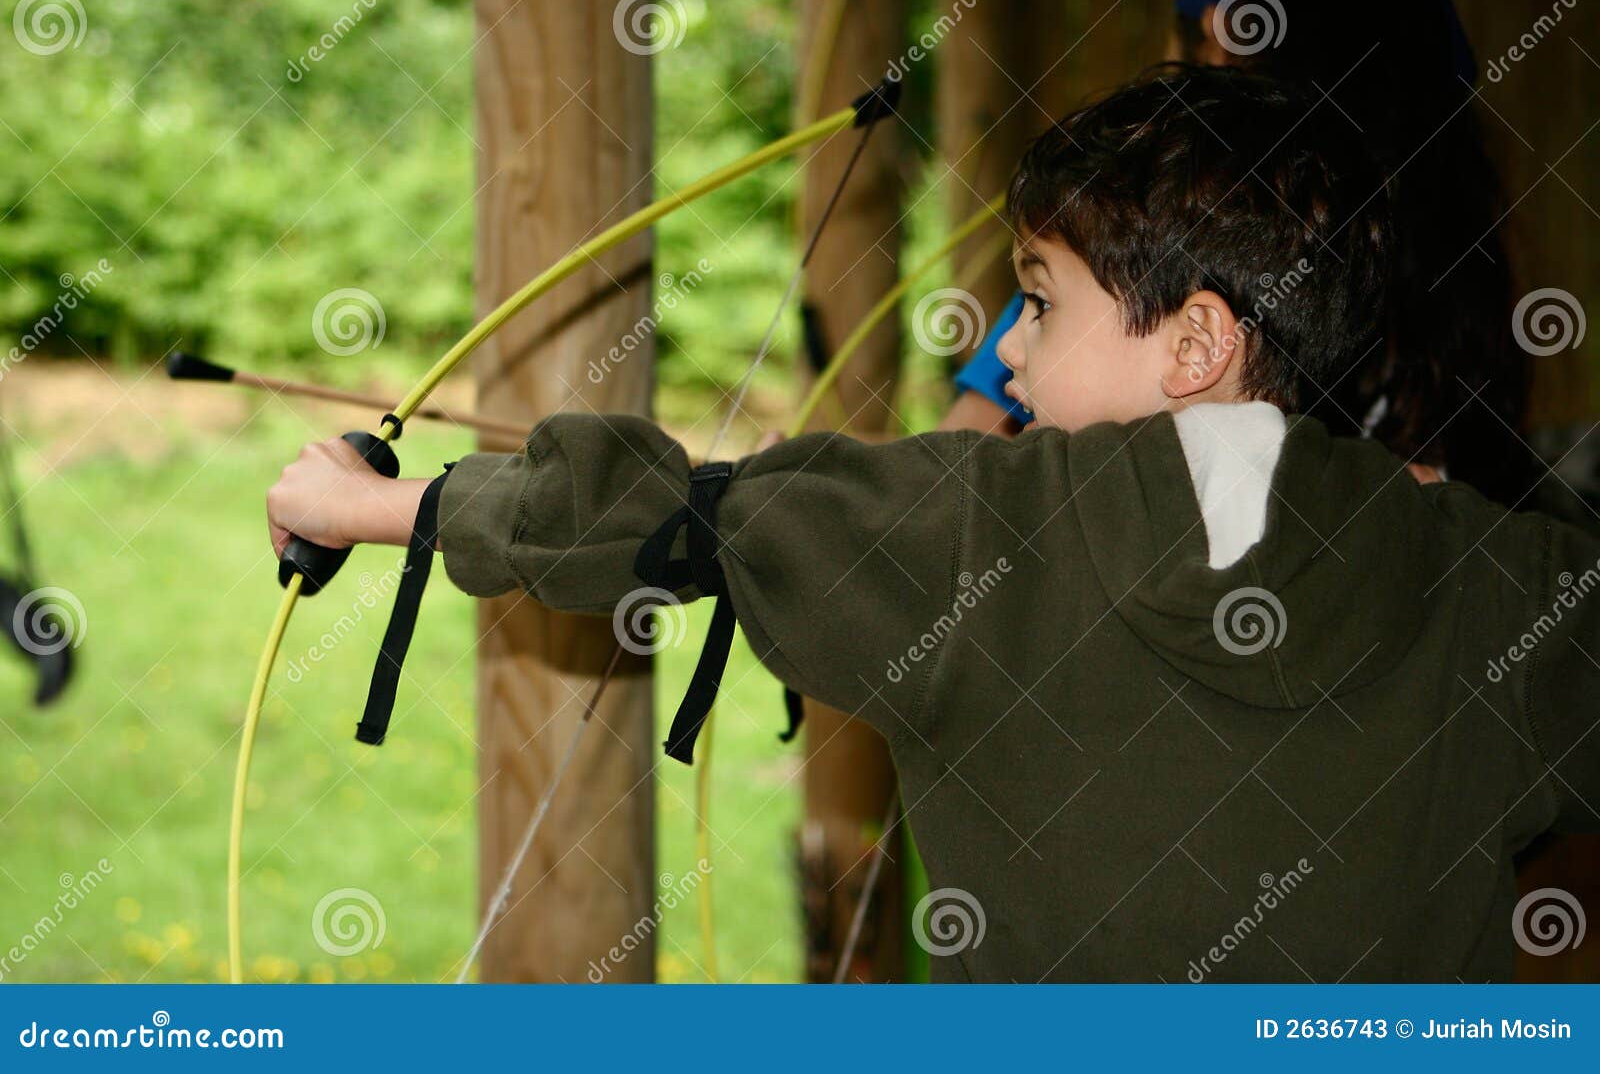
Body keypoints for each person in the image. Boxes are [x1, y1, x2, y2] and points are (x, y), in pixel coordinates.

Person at [267, 66, 1600, 982]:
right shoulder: (1499, 577)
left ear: (1196, 340)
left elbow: (662, 518)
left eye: (1041, 300)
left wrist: (369, 501)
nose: (1005, 349)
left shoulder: (981, 533)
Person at [943, 0, 1530, 507]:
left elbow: (953, 474)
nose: (1015, 343)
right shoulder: (1456, 286)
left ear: (1219, 32)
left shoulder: (1105, 266)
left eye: (1041, 307)